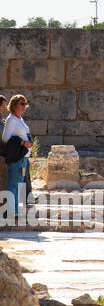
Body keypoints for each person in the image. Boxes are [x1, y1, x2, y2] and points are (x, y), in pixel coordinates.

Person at [2, 94, 34, 226]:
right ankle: (10, 212)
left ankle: (16, 211)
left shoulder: (19, 119)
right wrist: (22, 142)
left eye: (25, 104)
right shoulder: (11, 120)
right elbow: (5, 138)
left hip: (23, 157)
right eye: (21, 104)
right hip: (17, 157)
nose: (24, 106)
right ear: (14, 105)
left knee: (19, 184)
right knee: (13, 183)